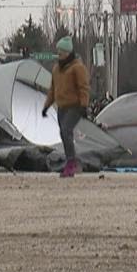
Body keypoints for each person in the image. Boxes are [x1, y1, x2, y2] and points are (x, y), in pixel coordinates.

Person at [42, 35, 89, 178]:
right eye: (58, 51)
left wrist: (83, 105)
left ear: (68, 53)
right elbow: (53, 89)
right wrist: (46, 106)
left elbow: (83, 88)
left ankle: (71, 163)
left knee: (66, 130)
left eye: (61, 52)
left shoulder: (77, 68)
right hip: (61, 107)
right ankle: (70, 162)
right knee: (63, 134)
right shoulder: (56, 69)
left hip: (74, 106)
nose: (59, 54)